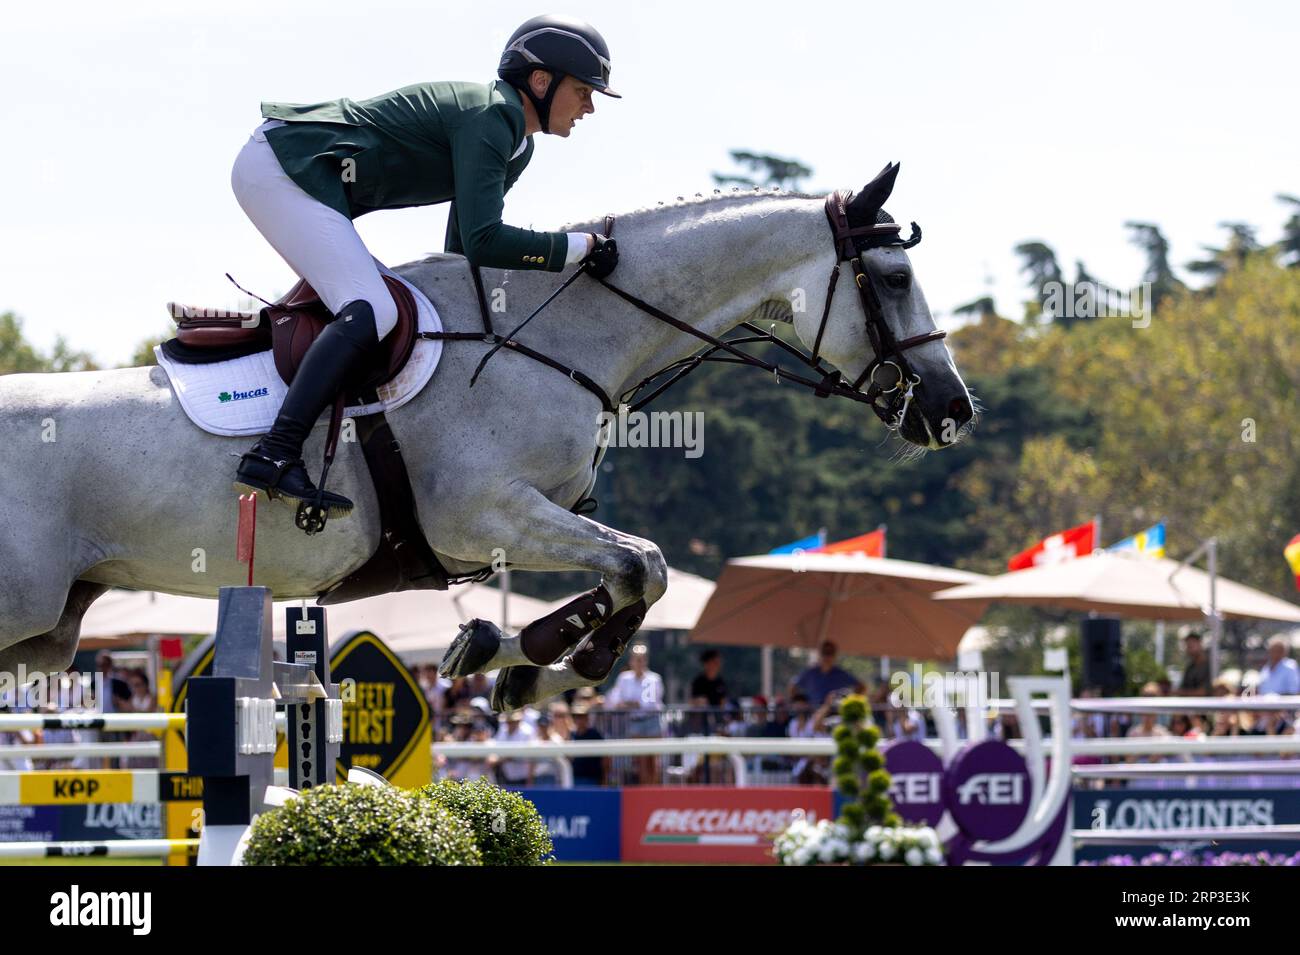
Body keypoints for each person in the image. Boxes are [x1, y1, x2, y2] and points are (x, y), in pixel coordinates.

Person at [229, 15, 622, 519]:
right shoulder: (490, 116)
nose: (589, 106)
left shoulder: (515, 144)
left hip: (306, 178)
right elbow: (484, 241)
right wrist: (579, 249)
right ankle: (275, 451)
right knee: (374, 308)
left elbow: (462, 254)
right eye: (583, 90)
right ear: (541, 82)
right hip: (285, 165)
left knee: (400, 308)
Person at [605, 645, 664, 784]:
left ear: (646, 661)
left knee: (653, 761)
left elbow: (648, 704)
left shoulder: (653, 679)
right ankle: (645, 793)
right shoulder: (624, 678)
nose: (639, 662)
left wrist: (629, 703)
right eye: (636, 659)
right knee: (641, 760)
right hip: (635, 723)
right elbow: (615, 700)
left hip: (652, 721)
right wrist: (632, 703)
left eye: (642, 659)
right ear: (631, 661)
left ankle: (654, 792)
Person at [789, 641, 864, 706]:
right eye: (825, 652)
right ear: (820, 654)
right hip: (813, 714)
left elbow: (861, 686)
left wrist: (851, 701)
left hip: (834, 715)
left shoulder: (840, 674)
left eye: (830, 653)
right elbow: (792, 687)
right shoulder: (811, 672)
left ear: (835, 655)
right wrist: (801, 702)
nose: (827, 656)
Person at [1179, 632, 1212, 696]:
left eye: (1191, 645)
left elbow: (1203, 692)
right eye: (1187, 646)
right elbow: (1183, 687)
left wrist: (1180, 692)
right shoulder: (1190, 667)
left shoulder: (1210, 666)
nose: (1189, 649)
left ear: (1200, 643)